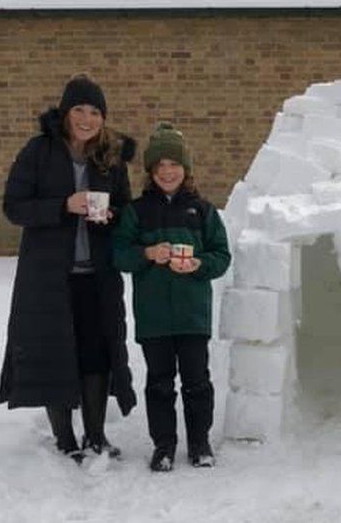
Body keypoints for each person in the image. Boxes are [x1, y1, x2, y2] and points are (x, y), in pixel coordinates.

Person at [0, 73, 138, 463]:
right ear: (65, 111)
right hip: (47, 277)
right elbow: (14, 206)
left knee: (97, 354)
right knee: (54, 352)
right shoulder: (38, 151)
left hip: (97, 276)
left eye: (95, 111)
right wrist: (63, 206)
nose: (87, 118)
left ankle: (95, 435)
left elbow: (127, 210)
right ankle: (65, 439)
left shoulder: (110, 157)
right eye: (79, 109)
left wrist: (110, 214)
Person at [113, 123, 231, 473]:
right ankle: (164, 445)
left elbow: (222, 256)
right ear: (151, 171)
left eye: (174, 164)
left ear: (186, 169)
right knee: (159, 383)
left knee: (197, 382)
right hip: (154, 318)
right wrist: (147, 254)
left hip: (193, 315)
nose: (168, 171)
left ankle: (199, 443)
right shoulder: (137, 211)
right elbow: (118, 254)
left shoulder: (203, 211)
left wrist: (198, 263)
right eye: (160, 165)